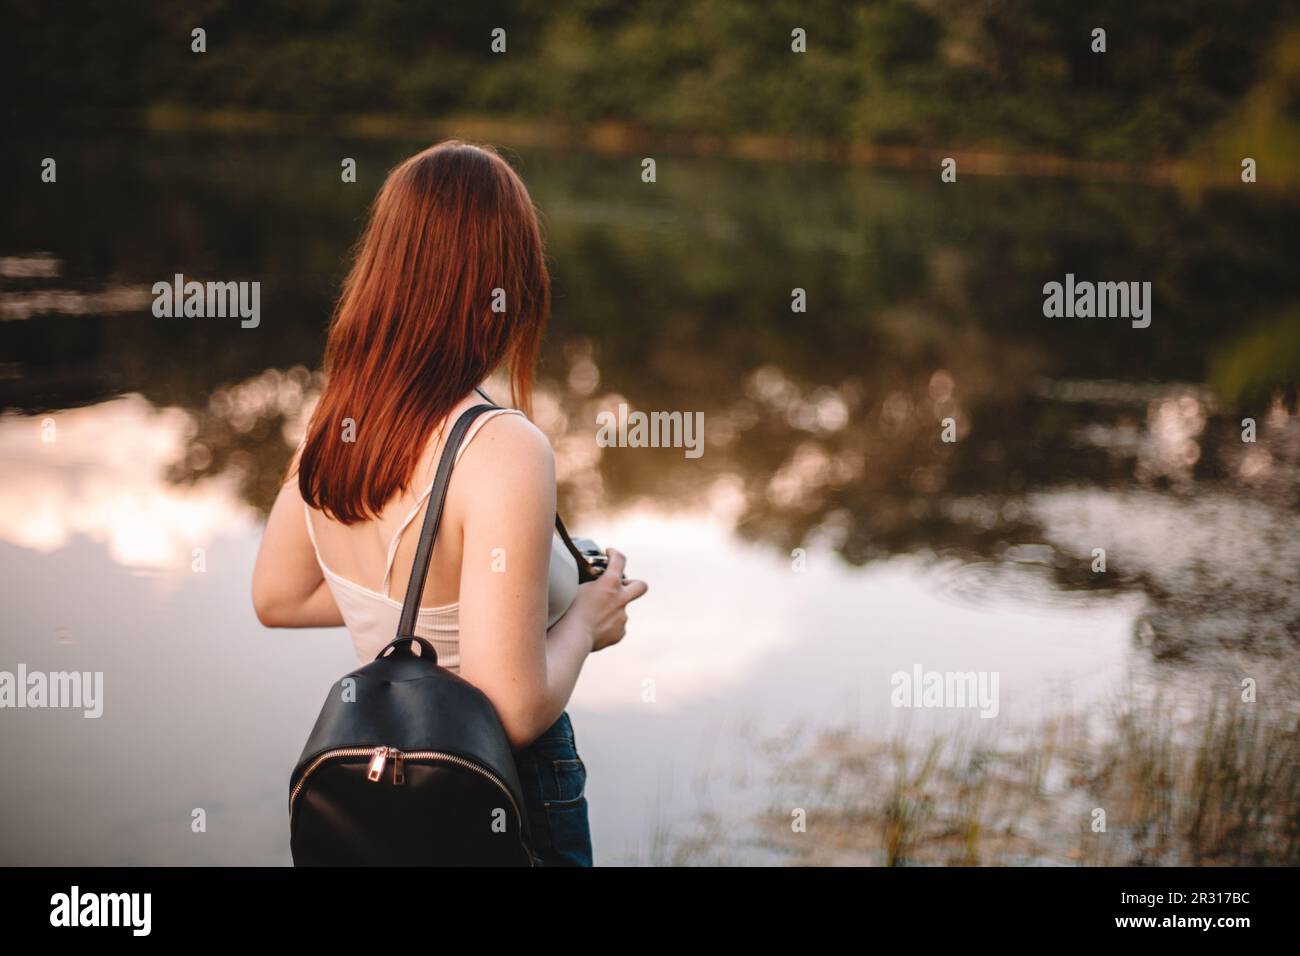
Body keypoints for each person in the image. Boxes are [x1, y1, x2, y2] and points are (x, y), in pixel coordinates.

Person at [252, 140, 649, 866]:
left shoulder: (334, 419)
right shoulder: (502, 446)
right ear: (509, 284)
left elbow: (279, 595)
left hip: (380, 772)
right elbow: (516, 708)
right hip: (498, 783)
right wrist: (587, 621)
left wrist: (440, 601)